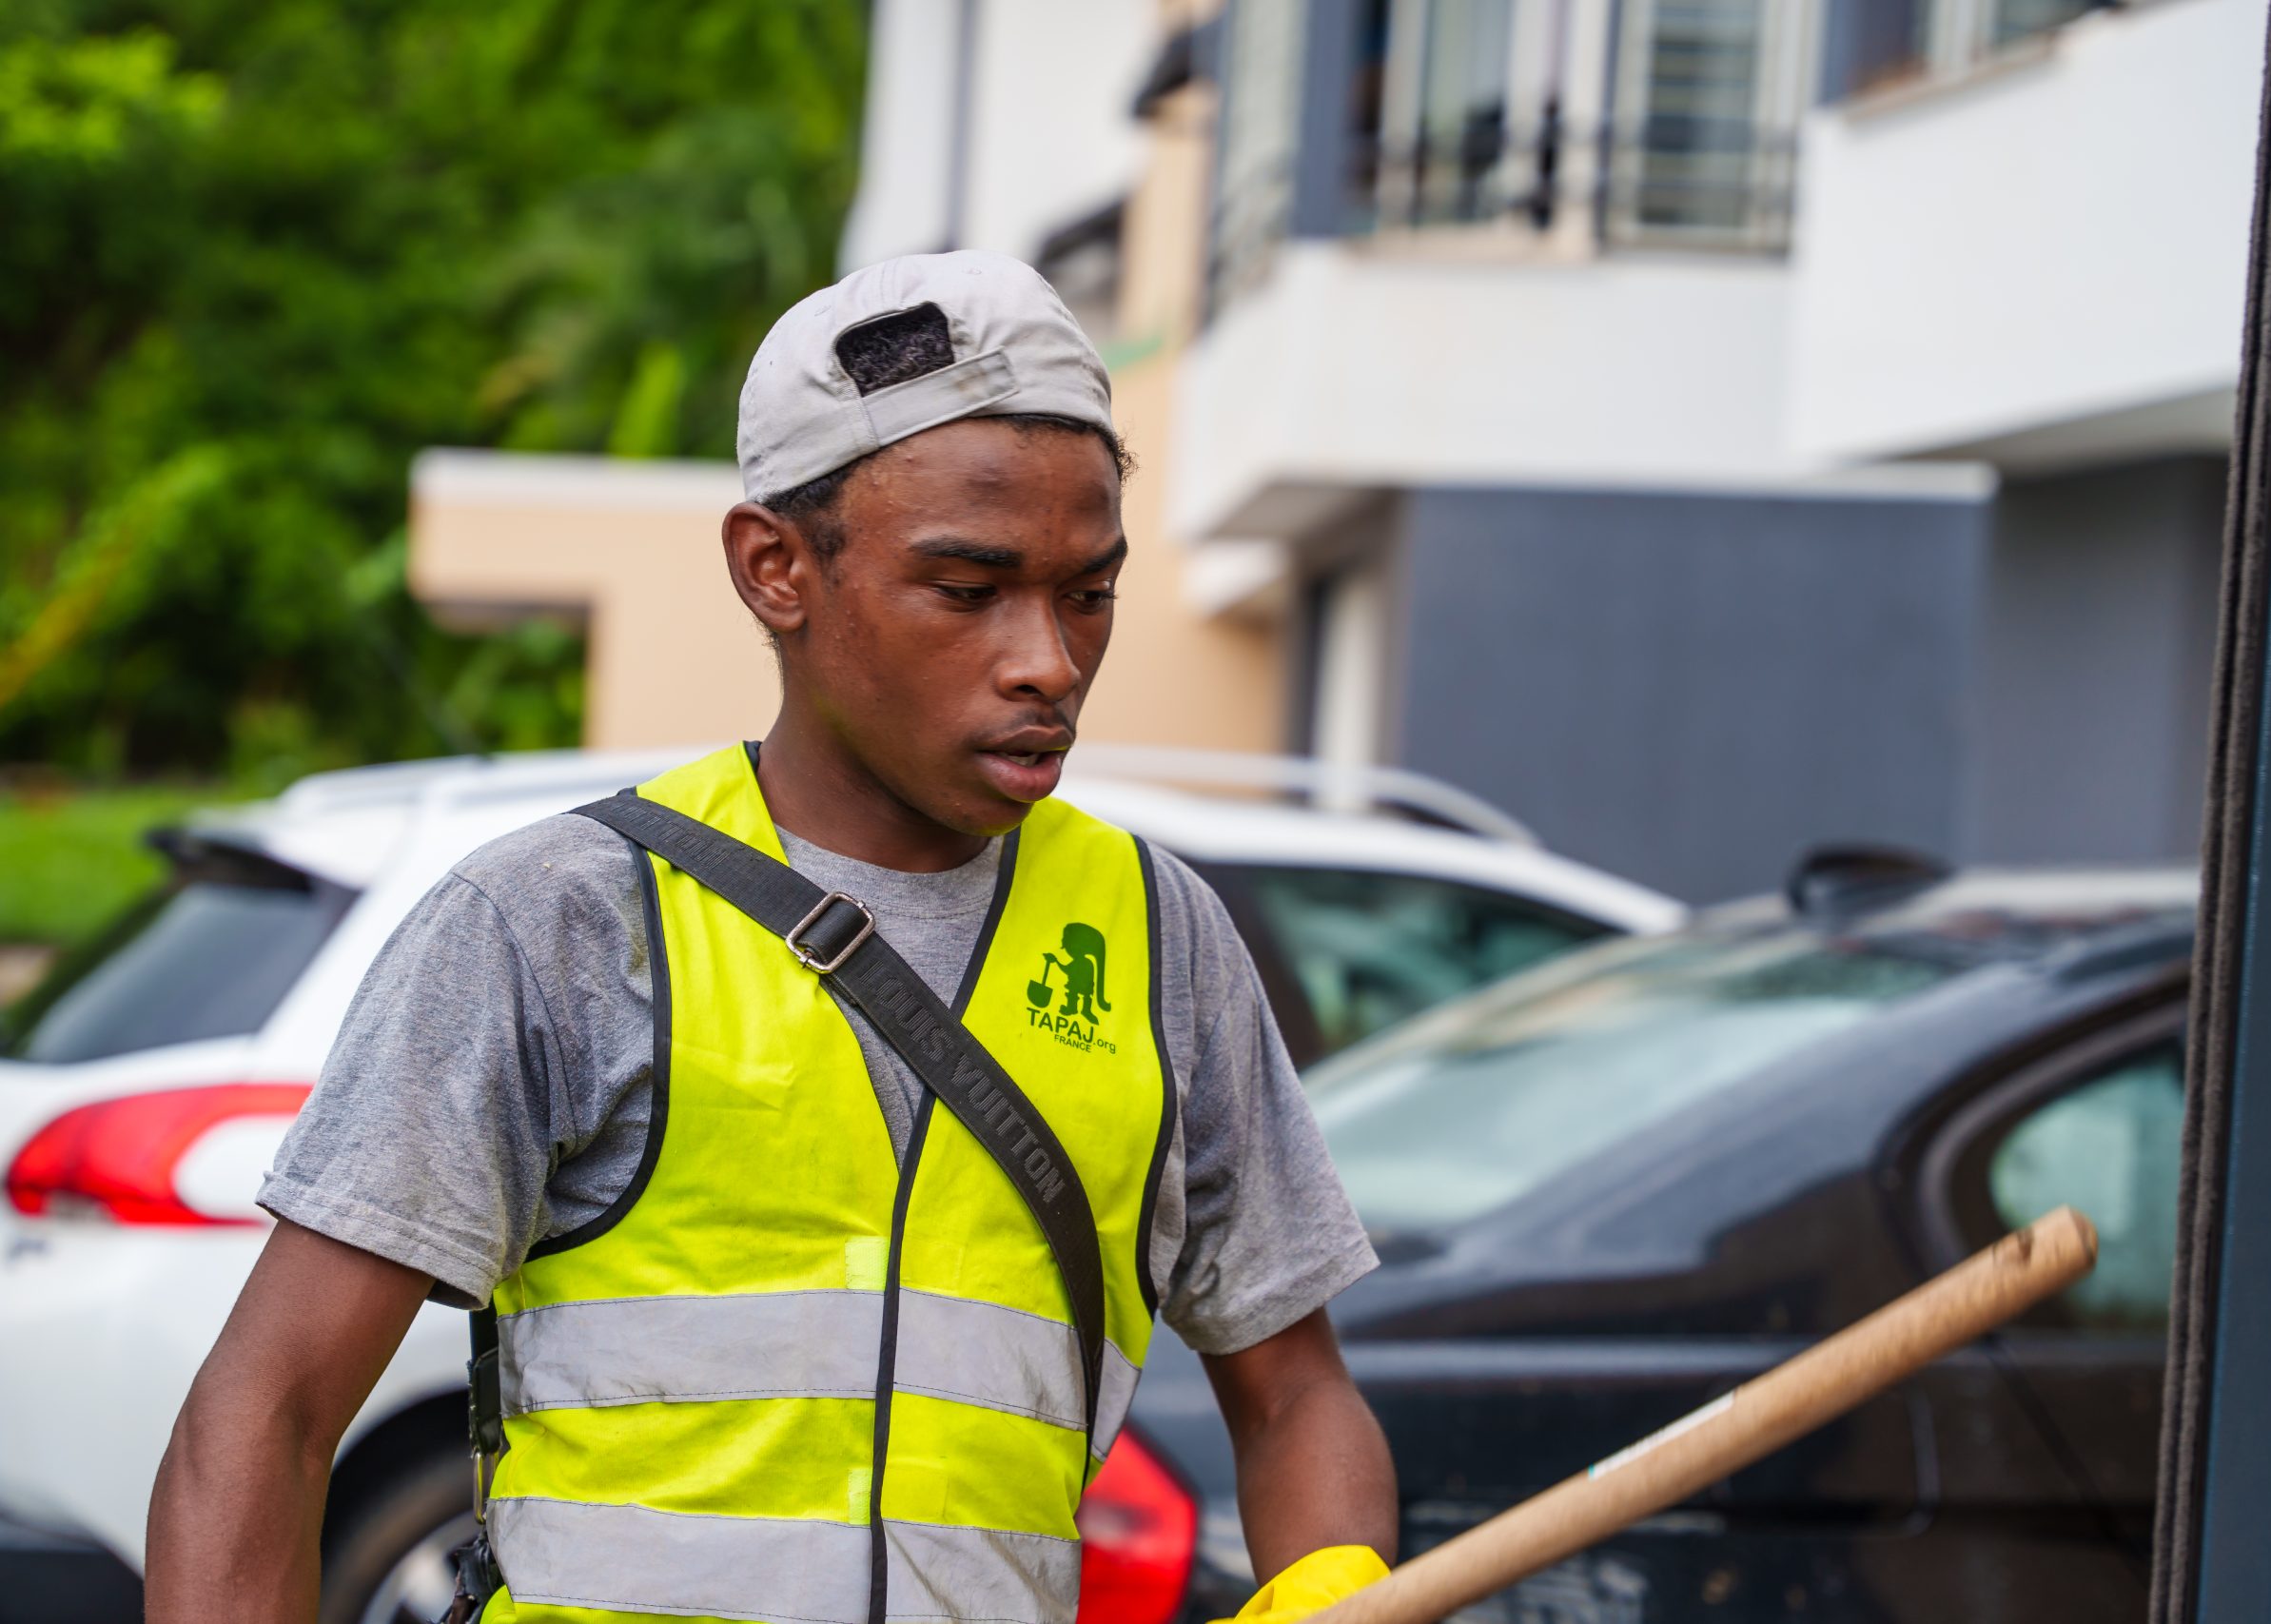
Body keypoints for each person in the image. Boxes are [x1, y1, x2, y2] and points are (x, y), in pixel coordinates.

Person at [145, 251, 1397, 1624]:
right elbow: (259, 1427)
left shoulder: (1162, 944)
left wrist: (1336, 1588)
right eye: (970, 590)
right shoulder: (561, 922)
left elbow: (1295, 1400)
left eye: (1087, 592)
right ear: (775, 569)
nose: (1047, 657)